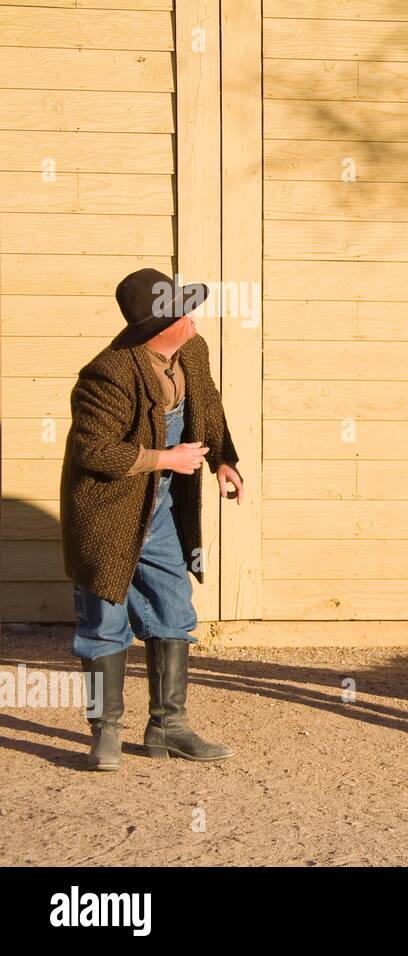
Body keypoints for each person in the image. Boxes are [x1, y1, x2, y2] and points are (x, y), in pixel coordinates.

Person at [61, 268, 243, 770]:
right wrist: (167, 459)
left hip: (159, 508)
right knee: (104, 623)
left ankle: (169, 726)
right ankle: (106, 733)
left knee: (173, 608)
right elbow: (94, 451)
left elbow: (208, 405)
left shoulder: (192, 351)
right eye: (181, 309)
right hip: (106, 512)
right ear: (157, 326)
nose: (192, 316)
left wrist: (223, 459)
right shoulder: (107, 375)